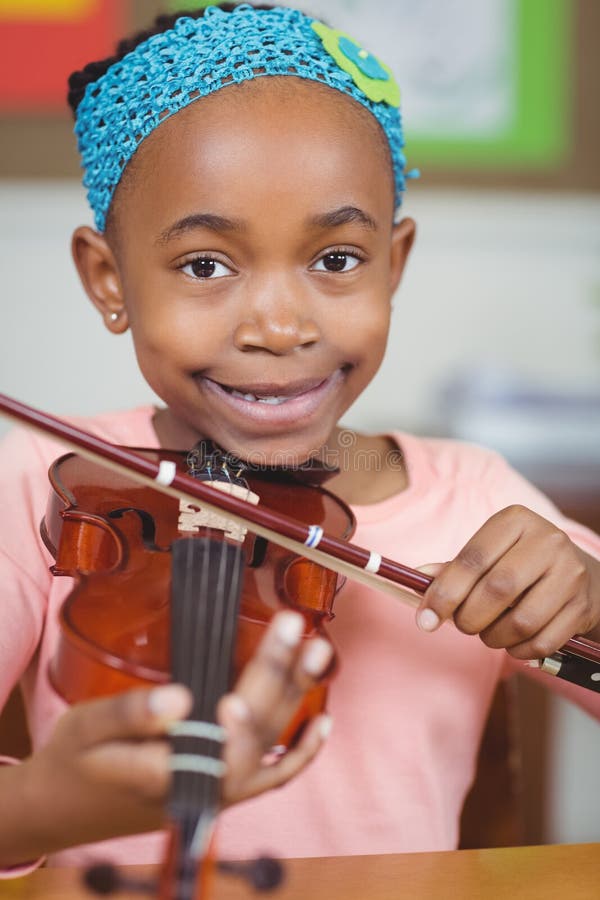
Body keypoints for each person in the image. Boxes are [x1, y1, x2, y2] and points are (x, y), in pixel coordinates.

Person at [1, 0, 599, 875]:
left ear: (393, 266)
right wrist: (42, 810)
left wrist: (593, 598)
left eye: (336, 260)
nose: (280, 326)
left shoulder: (473, 497)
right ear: (108, 279)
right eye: (206, 265)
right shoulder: (45, 482)